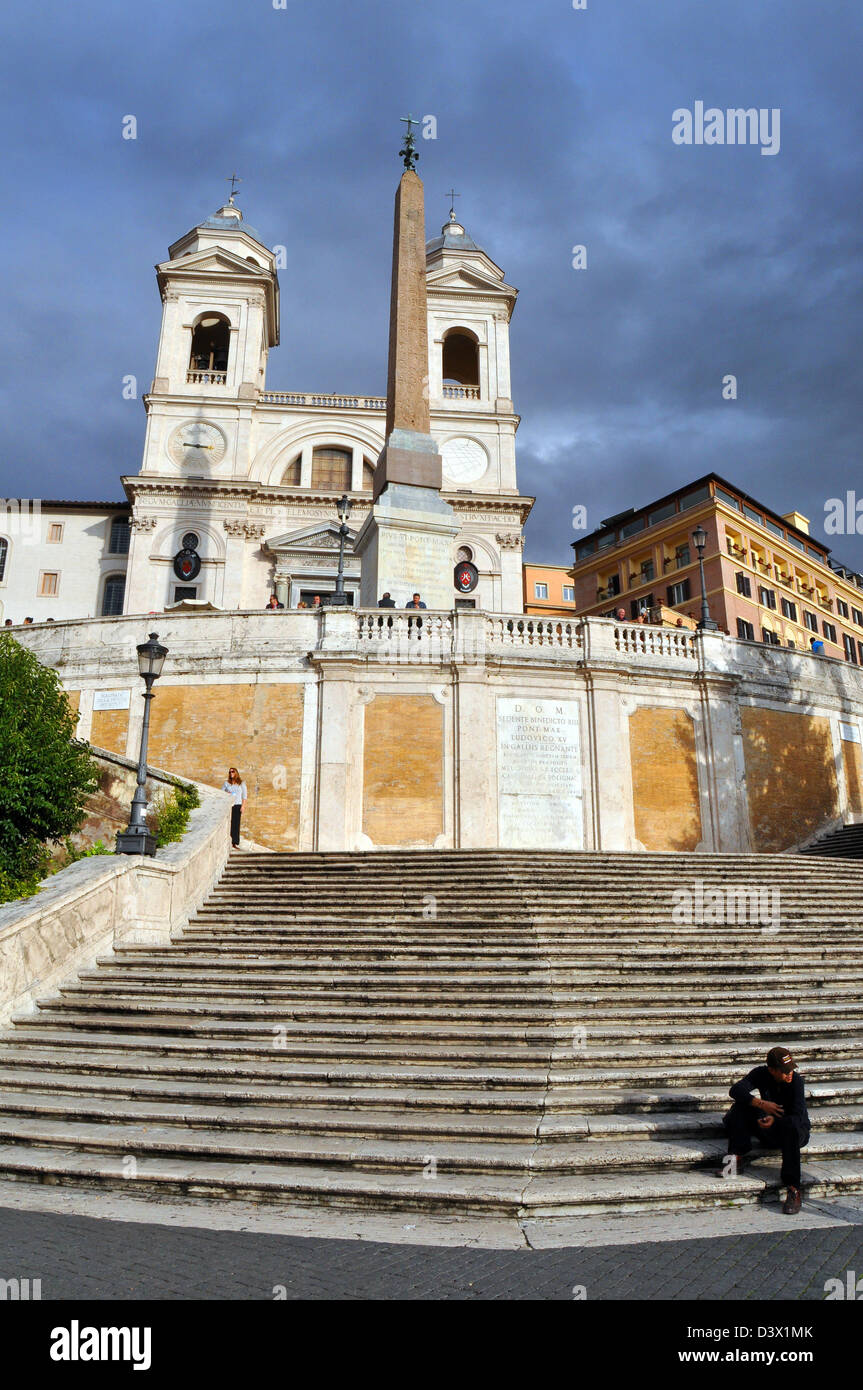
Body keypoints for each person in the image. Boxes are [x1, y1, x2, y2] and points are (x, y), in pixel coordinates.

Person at [722, 1046, 810, 1214]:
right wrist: (761, 1104)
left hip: (795, 1131)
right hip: (770, 1129)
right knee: (739, 1107)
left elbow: (798, 1116)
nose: (789, 1073)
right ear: (772, 1070)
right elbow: (735, 1090)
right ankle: (735, 1158)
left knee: (791, 1127)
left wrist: (776, 1121)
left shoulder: (796, 1082)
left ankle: (793, 1189)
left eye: (791, 1069)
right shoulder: (761, 1074)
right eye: (784, 1071)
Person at [222, 767, 248, 849]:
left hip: (237, 805)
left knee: (236, 824)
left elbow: (244, 796)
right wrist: (226, 792)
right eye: (229, 772)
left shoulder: (241, 783)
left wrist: (243, 806)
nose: (231, 773)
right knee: (229, 823)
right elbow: (221, 793)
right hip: (228, 805)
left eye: (232, 771)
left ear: (236, 772)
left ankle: (235, 842)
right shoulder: (226, 783)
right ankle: (227, 841)